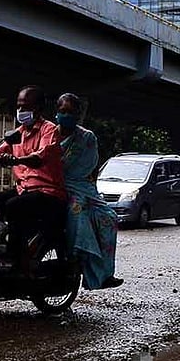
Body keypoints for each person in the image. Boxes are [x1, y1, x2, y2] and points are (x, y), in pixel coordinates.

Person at [0, 85, 66, 264]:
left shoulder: (49, 130)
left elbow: (39, 157)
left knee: (14, 206)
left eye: (25, 107)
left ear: (37, 108)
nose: (20, 111)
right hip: (25, 190)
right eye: (19, 106)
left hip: (48, 193)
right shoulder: (18, 133)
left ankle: (15, 258)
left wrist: (15, 159)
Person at [55, 93, 122, 290]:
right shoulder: (48, 135)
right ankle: (79, 258)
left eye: (71, 112)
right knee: (78, 214)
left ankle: (104, 274)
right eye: (63, 111)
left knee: (108, 218)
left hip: (82, 186)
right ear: (57, 112)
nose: (66, 115)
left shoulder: (86, 138)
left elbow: (89, 168)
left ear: (78, 115)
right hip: (54, 184)